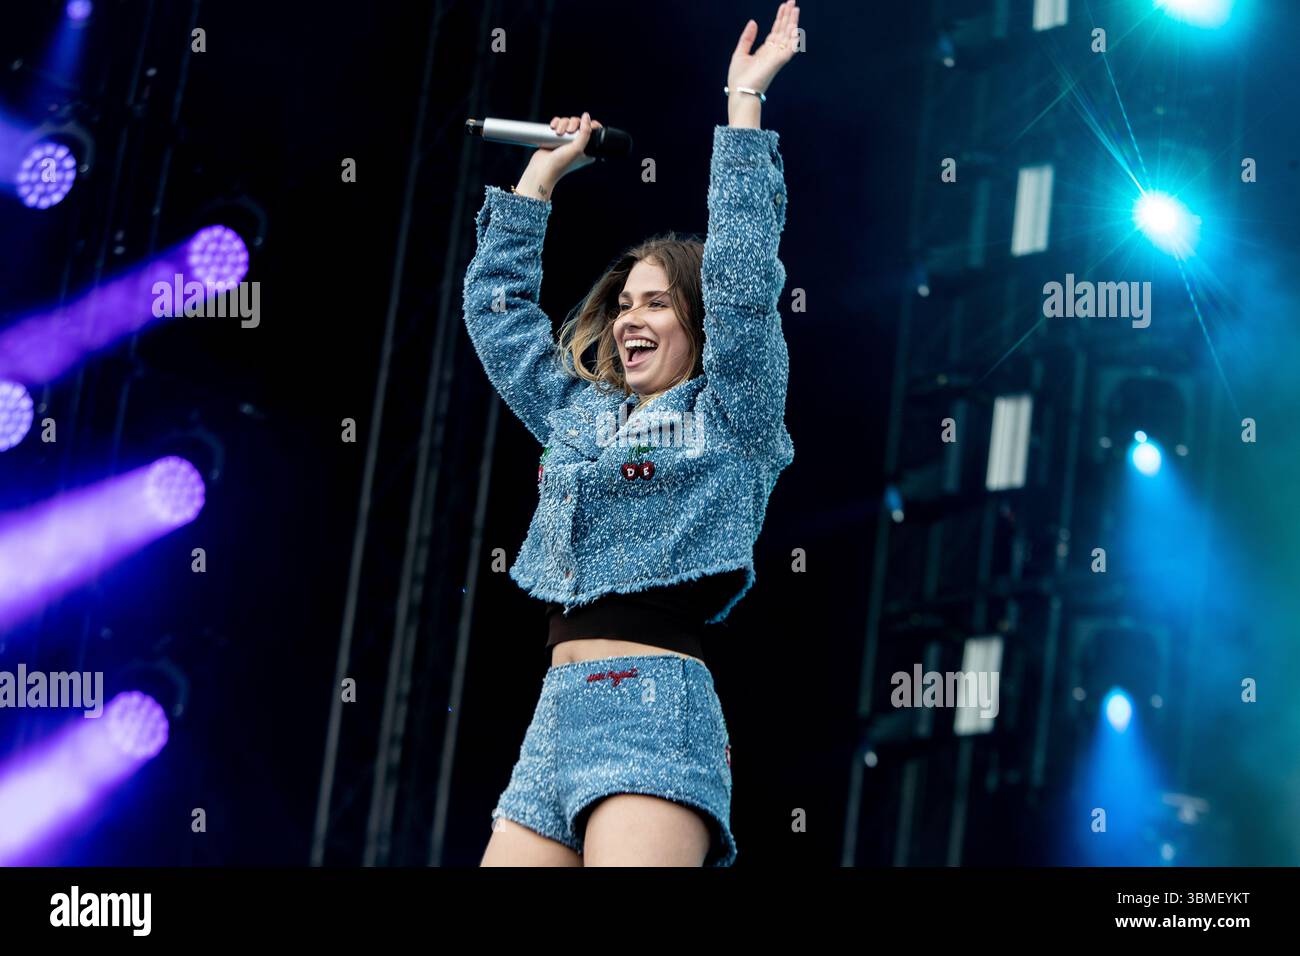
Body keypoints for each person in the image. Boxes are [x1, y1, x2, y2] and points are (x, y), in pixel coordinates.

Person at [467, 1, 800, 866]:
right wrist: (540, 179)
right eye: (622, 305)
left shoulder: (735, 414)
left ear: (695, 322)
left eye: (655, 302)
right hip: (556, 714)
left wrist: (742, 103)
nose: (628, 320)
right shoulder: (585, 417)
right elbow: (499, 322)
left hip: (654, 707)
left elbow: (739, 281)